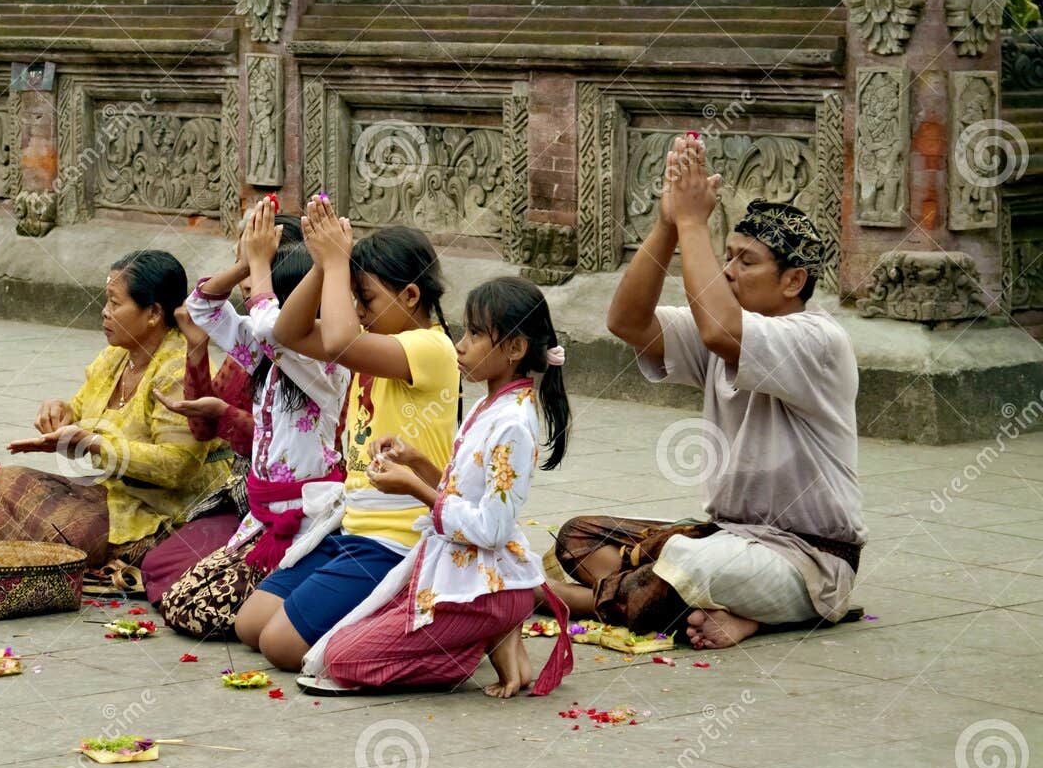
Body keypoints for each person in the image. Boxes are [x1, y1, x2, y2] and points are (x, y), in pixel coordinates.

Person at [548, 134, 865, 649]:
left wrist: (697, 222)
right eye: (728, 255)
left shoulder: (818, 339)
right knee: (580, 536)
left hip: (806, 557)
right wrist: (668, 226)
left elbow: (720, 329)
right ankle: (721, 608)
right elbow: (627, 321)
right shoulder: (728, 331)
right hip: (727, 539)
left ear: (793, 281)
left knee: (682, 565)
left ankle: (552, 598)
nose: (727, 270)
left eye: (746, 261)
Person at [0, 250, 230, 599]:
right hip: (111, 497)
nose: (104, 312)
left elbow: (178, 467)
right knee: (10, 481)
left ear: (154, 313)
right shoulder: (116, 357)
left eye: (115, 303)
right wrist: (60, 412)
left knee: (51, 521)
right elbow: (80, 411)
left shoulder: (177, 371)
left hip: (159, 519)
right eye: (105, 301)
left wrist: (95, 444)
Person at [301, 276, 573, 697]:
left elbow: (492, 528)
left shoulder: (514, 425)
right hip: (466, 573)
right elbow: (464, 490)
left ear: (515, 349)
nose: (461, 345)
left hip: (487, 587)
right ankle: (491, 633)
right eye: (465, 331)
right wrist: (417, 462)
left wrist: (416, 489)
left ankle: (469, 648)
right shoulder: (490, 404)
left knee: (344, 659)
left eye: (477, 334)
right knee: (346, 638)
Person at [235, 199, 459, 671]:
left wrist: (338, 263)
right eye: (353, 297)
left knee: (280, 646)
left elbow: (338, 340)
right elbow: (288, 333)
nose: (356, 309)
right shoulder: (374, 344)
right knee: (250, 624)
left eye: (367, 299)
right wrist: (322, 265)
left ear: (412, 297)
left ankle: (429, 626)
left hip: (396, 540)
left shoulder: (431, 347)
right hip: (355, 528)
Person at [153, 200, 350, 637]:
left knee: (201, 611)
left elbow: (270, 329)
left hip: (307, 523)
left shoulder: (329, 363)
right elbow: (201, 310)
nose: (248, 292)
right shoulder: (266, 353)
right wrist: (248, 264)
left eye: (260, 285)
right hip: (263, 516)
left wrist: (261, 265)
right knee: (179, 598)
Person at [139, 210, 306, 605]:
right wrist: (196, 347)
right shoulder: (248, 345)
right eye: (241, 265)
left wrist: (226, 416)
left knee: (184, 585)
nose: (245, 283)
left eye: (256, 267)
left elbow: (285, 439)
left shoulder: (316, 355)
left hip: (291, 503)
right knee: (159, 566)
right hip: (245, 492)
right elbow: (201, 429)